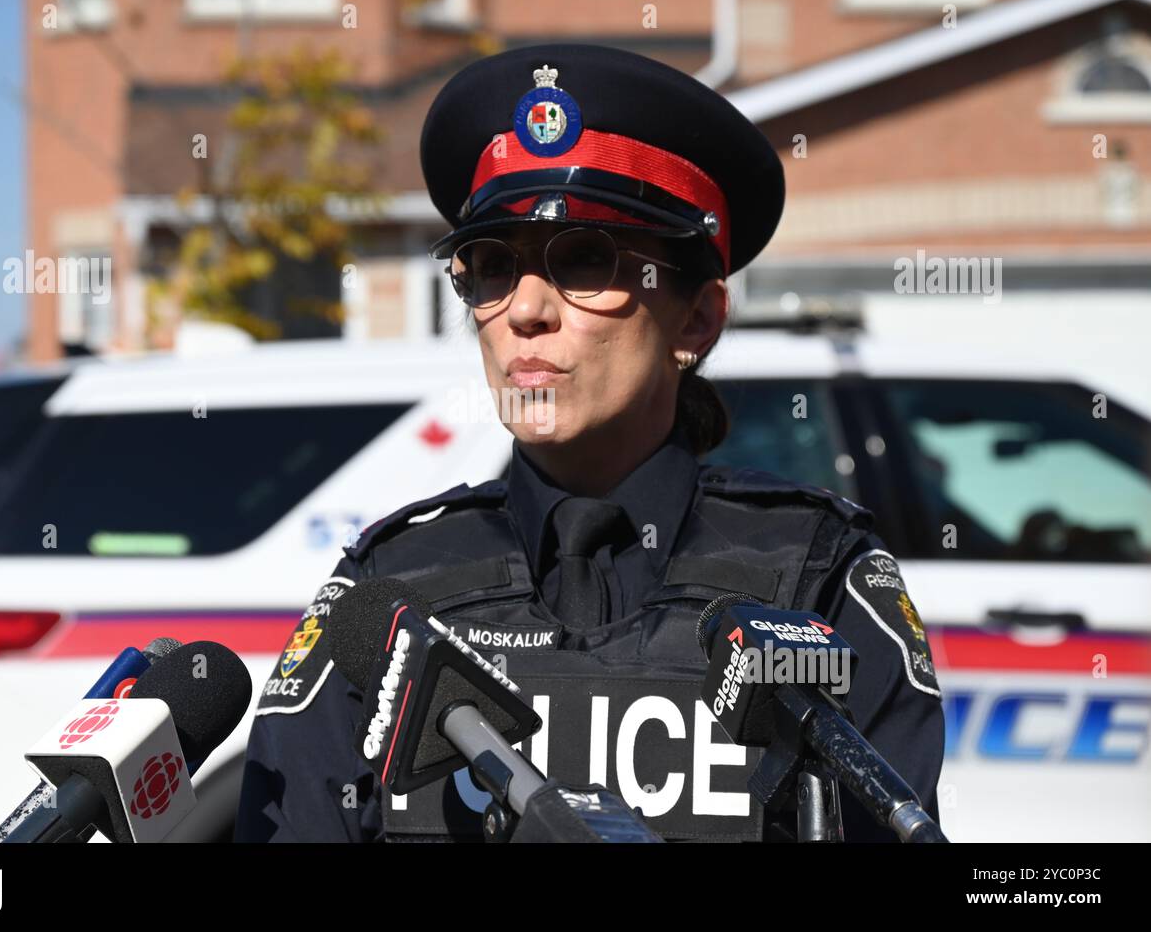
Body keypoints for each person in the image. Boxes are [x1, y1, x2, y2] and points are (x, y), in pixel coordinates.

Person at [235, 43, 944, 843]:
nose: (525, 309)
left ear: (698, 318)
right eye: (492, 267)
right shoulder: (391, 589)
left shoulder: (815, 581)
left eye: (583, 259)